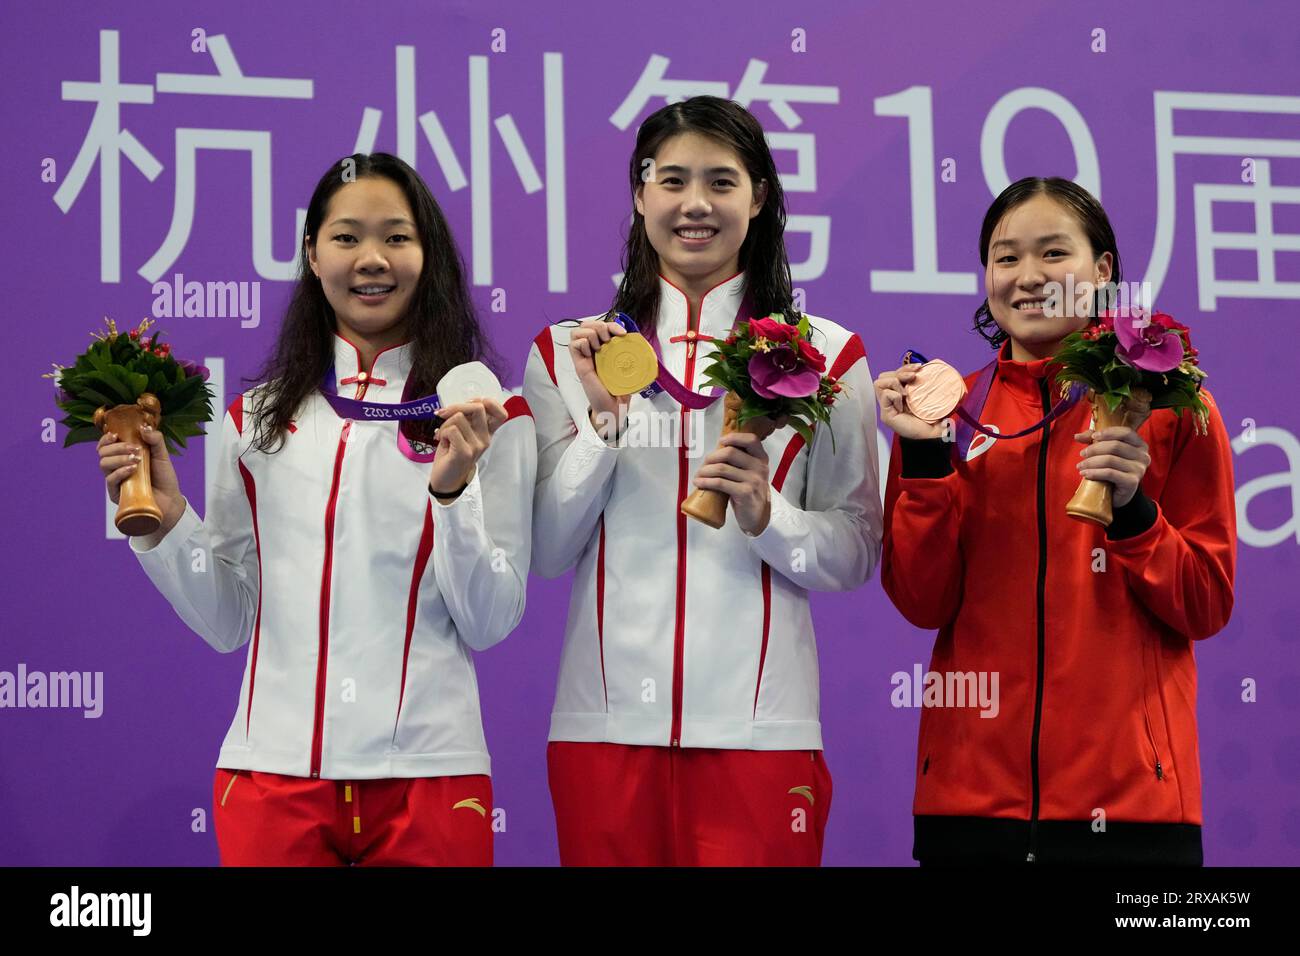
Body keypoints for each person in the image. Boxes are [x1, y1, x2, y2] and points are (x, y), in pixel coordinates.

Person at [96, 153, 535, 866]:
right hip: (271, 778)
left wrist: (453, 492)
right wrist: (171, 523)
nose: (372, 259)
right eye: (346, 237)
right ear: (311, 253)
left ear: (430, 254)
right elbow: (229, 619)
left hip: (430, 777)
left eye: (397, 236)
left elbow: (489, 620)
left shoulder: (488, 415)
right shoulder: (255, 420)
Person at [524, 96, 883, 866]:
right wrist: (604, 424)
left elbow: (856, 550)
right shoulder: (568, 353)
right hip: (604, 730)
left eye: (721, 182)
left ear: (758, 198)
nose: (695, 204)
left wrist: (769, 516)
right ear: (639, 193)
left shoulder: (826, 355)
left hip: (762, 732)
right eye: (672, 180)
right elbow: (549, 550)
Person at [875, 176, 1236, 865]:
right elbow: (923, 601)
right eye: (1006, 258)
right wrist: (924, 458)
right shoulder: (946, 411)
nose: (1028, 276)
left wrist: (1133, 512)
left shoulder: (1172, 408)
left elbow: (1206, 601)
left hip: (1134, 808)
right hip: (969, 809)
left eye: (1053, 254)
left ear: (1101, 272)